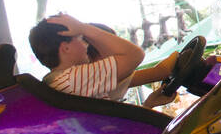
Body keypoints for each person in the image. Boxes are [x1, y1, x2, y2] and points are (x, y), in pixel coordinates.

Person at [28, 14, 178, 106]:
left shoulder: (64, 81)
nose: (86, 45)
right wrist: (84, 28)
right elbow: (135, 55)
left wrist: (148, 105)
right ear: (66, 48)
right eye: (80, 38)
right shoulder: (71, 79)